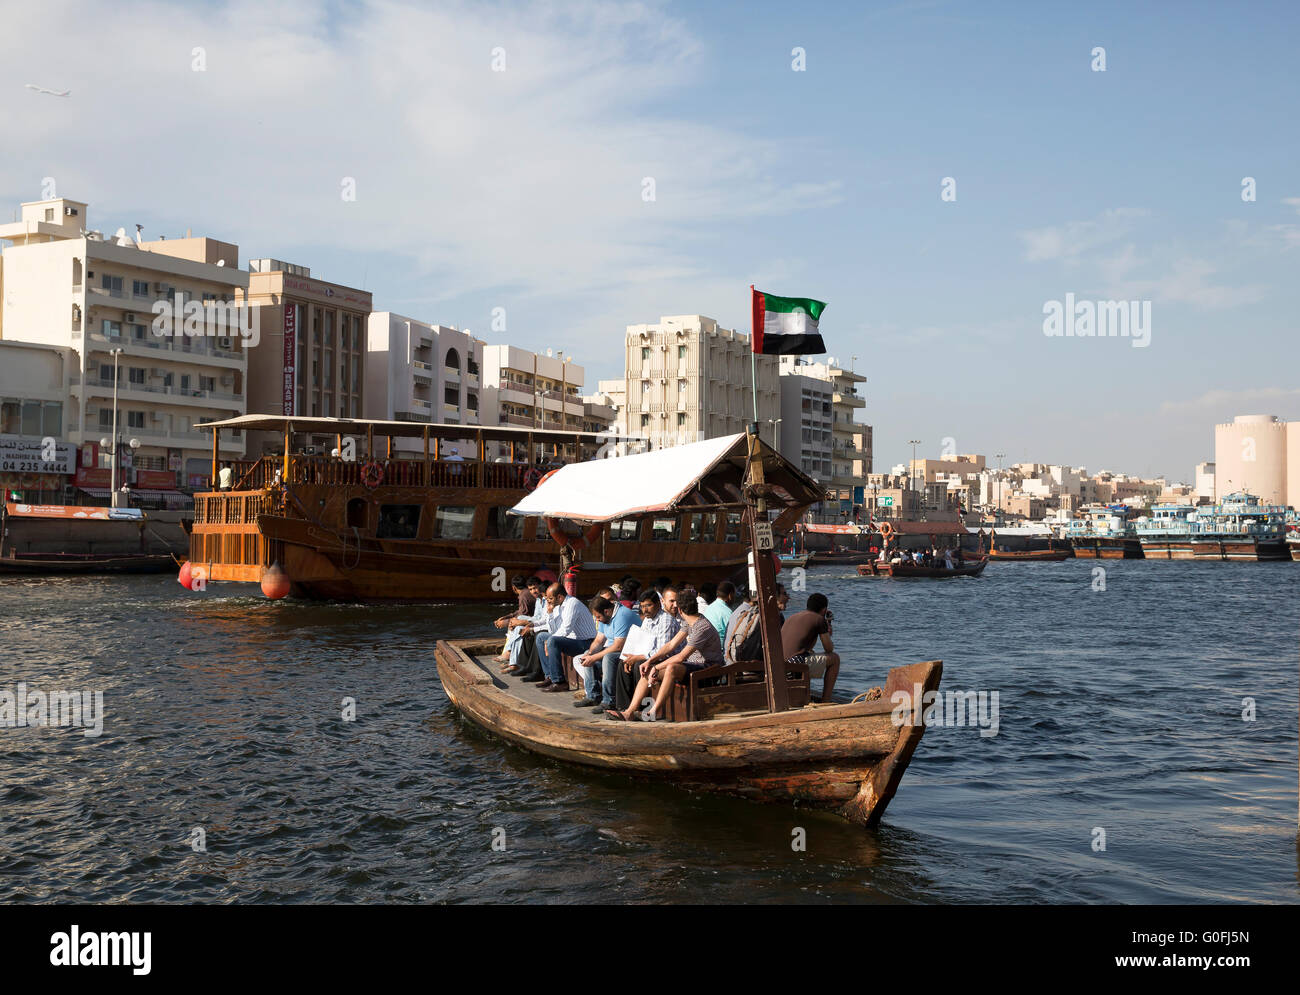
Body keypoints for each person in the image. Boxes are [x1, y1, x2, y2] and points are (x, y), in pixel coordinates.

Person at [609, 586, 723, 722]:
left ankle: (653, 712)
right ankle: (629, 712)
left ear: (680, 610)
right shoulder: (690, 622)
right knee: (648, 670)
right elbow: (670, 645)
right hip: (694, 666)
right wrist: (650, 662)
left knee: (671, 668)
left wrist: (657, 667)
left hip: (709, 668)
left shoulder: (702, 626)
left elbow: (681, 657)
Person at [614, 589, 680, 711]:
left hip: (667, 659)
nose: (645, 610)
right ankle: (623, 707)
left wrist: (636, 658)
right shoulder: (647, 620)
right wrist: (630, 658)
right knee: (623, 663)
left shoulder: (666, 620)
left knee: (640, 665)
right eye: (643, 606)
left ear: (658, 604)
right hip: (650, 657)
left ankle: (642, 708)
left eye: (648, 605)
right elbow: (641, 644)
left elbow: (662, 652)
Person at [574, 594, 640, 712]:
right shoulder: (605, 617)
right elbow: (599, 640)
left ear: (607, 611)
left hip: (631, 652)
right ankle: (593, 695)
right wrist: (590, 653)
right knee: (588, 654)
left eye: (598, 617)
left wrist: (594, 657)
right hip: (614, 649)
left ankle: (609, 701)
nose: (597, 620)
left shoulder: (622, 615)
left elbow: (618, 646)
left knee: (608, 657)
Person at [781, 593, 841, 703]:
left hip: (781, 665)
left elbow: (806, 647)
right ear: (824, 610)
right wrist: (827, 628)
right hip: (795, 665)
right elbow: (829, 649)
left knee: (810, 654)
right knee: (835, 659)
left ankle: (805, 695)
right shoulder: (819, 619)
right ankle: (826, 700)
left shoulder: (793, 616)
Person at [537, 583, 596, 692]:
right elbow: (555, 630)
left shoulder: (572, 604)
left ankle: (559, 682)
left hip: (586, 642)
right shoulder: (559, 606)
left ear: (559, 597)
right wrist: (550, 614)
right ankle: (549, 676)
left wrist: (550, 640)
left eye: (550, 598)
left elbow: (566, 629)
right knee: (541, 637)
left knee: (552, 640)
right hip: (572, 639)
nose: (548, 601)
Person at [505, 576, 552, 679]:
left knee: (534, 634)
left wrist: (528, 624)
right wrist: (527, 624)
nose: (533, 591)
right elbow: (538, 618)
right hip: (541, 623)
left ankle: (534, 669)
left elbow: (545, 620)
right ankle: (523, 665)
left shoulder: (546, 599)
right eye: (530, 589)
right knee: (521, 626)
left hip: (548, 627)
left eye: (535, 588)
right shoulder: (539, 600)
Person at [493, 575, 536, 663]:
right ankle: (508, 653)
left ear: (514, 588)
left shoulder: (523, 596)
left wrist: (505, 622)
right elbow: (520, 612)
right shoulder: (526, 593)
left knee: (512, 625)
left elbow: (523, 615)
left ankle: (508, 653)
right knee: (513, 621)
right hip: (530, 619)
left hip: (532, 622)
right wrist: (507, 617)